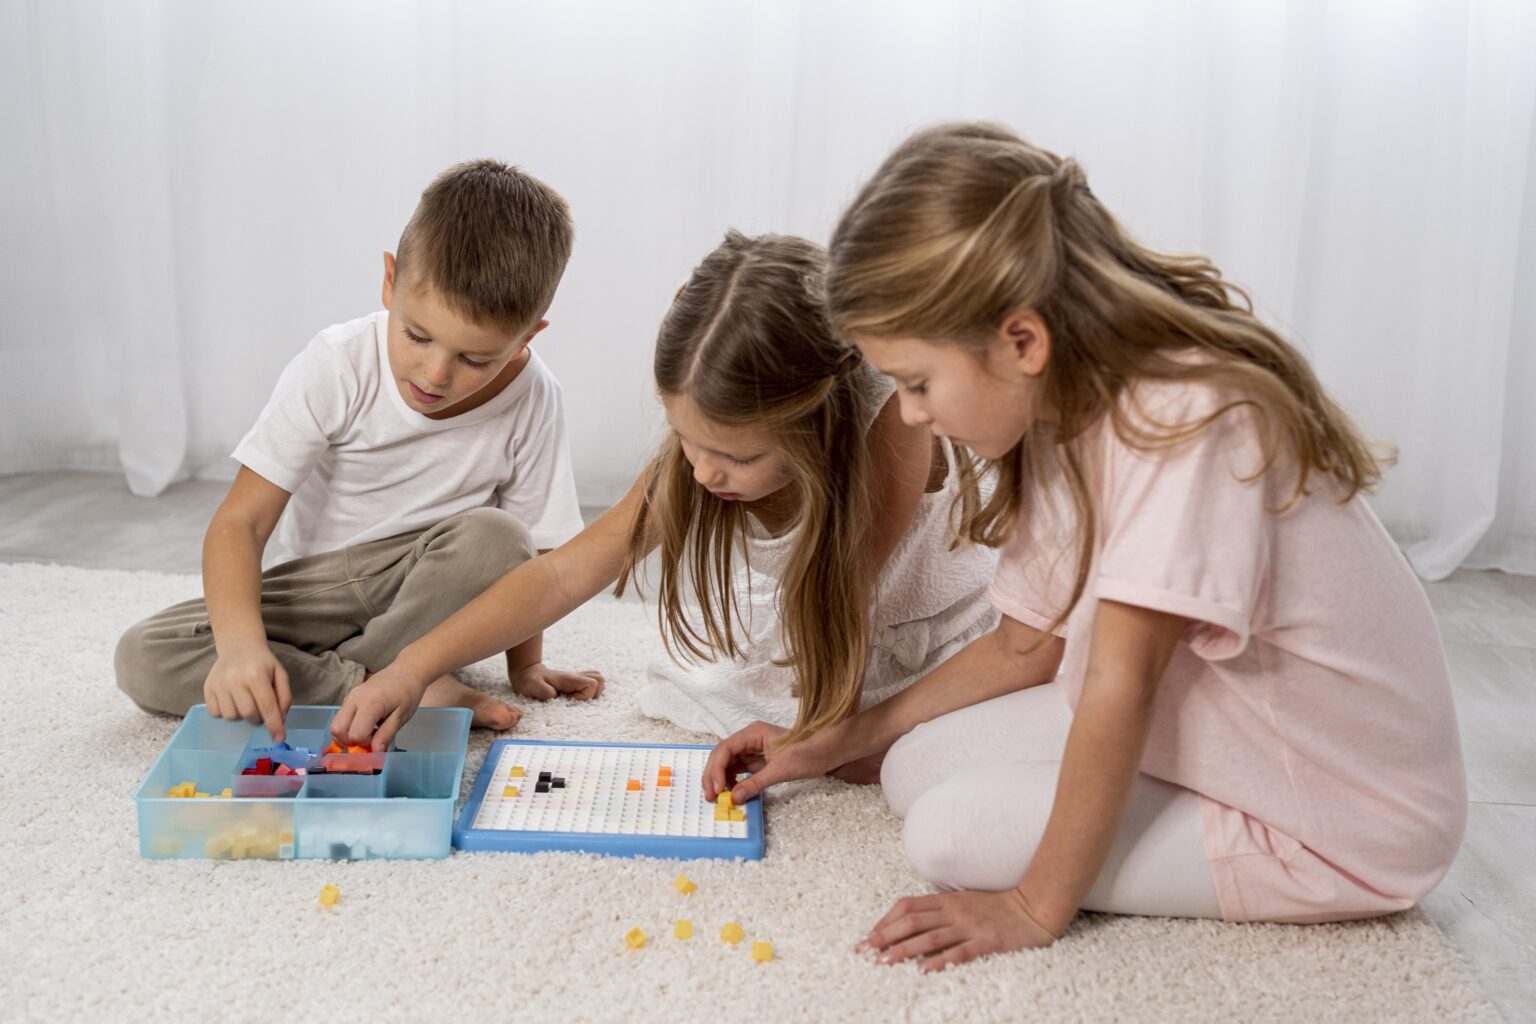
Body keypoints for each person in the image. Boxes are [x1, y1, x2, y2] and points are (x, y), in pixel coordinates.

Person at [704, 122, 1467, 971]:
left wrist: (1034, 906)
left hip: (1335, 817)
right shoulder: (1068, 408)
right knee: (909, 767)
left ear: (1022, 342)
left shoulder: (1184, 424)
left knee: (947, 835)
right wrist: (835, 736)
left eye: (919, 383)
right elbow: (1028, 644)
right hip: (1219, 729)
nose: (912, 414)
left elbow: (1120, 684)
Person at [328, 231, 998, 761]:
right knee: (746, 710)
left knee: (862, 752)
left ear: (813, 425)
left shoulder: (890, 431)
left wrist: (827, 742)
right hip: (819, 614)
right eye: (686, 439)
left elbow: (841, 607)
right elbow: (563, 573)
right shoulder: (700, 458)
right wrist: (413, 666)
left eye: (737, 456)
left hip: (911, 617)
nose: (703, 473)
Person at [116, 159, 603, 742]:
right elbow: (241, 522)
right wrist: (243, 649)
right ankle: (385, 683)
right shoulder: (338, 362)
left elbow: (539, 562)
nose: (434, 372)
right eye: (417, 336)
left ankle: (399, 675)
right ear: (389, 282)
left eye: (475, 359)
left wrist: (524, 666)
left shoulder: (535, 396)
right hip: (319, 590)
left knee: (500, 540)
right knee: (143, 655)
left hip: (430, 599)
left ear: (527, 337)